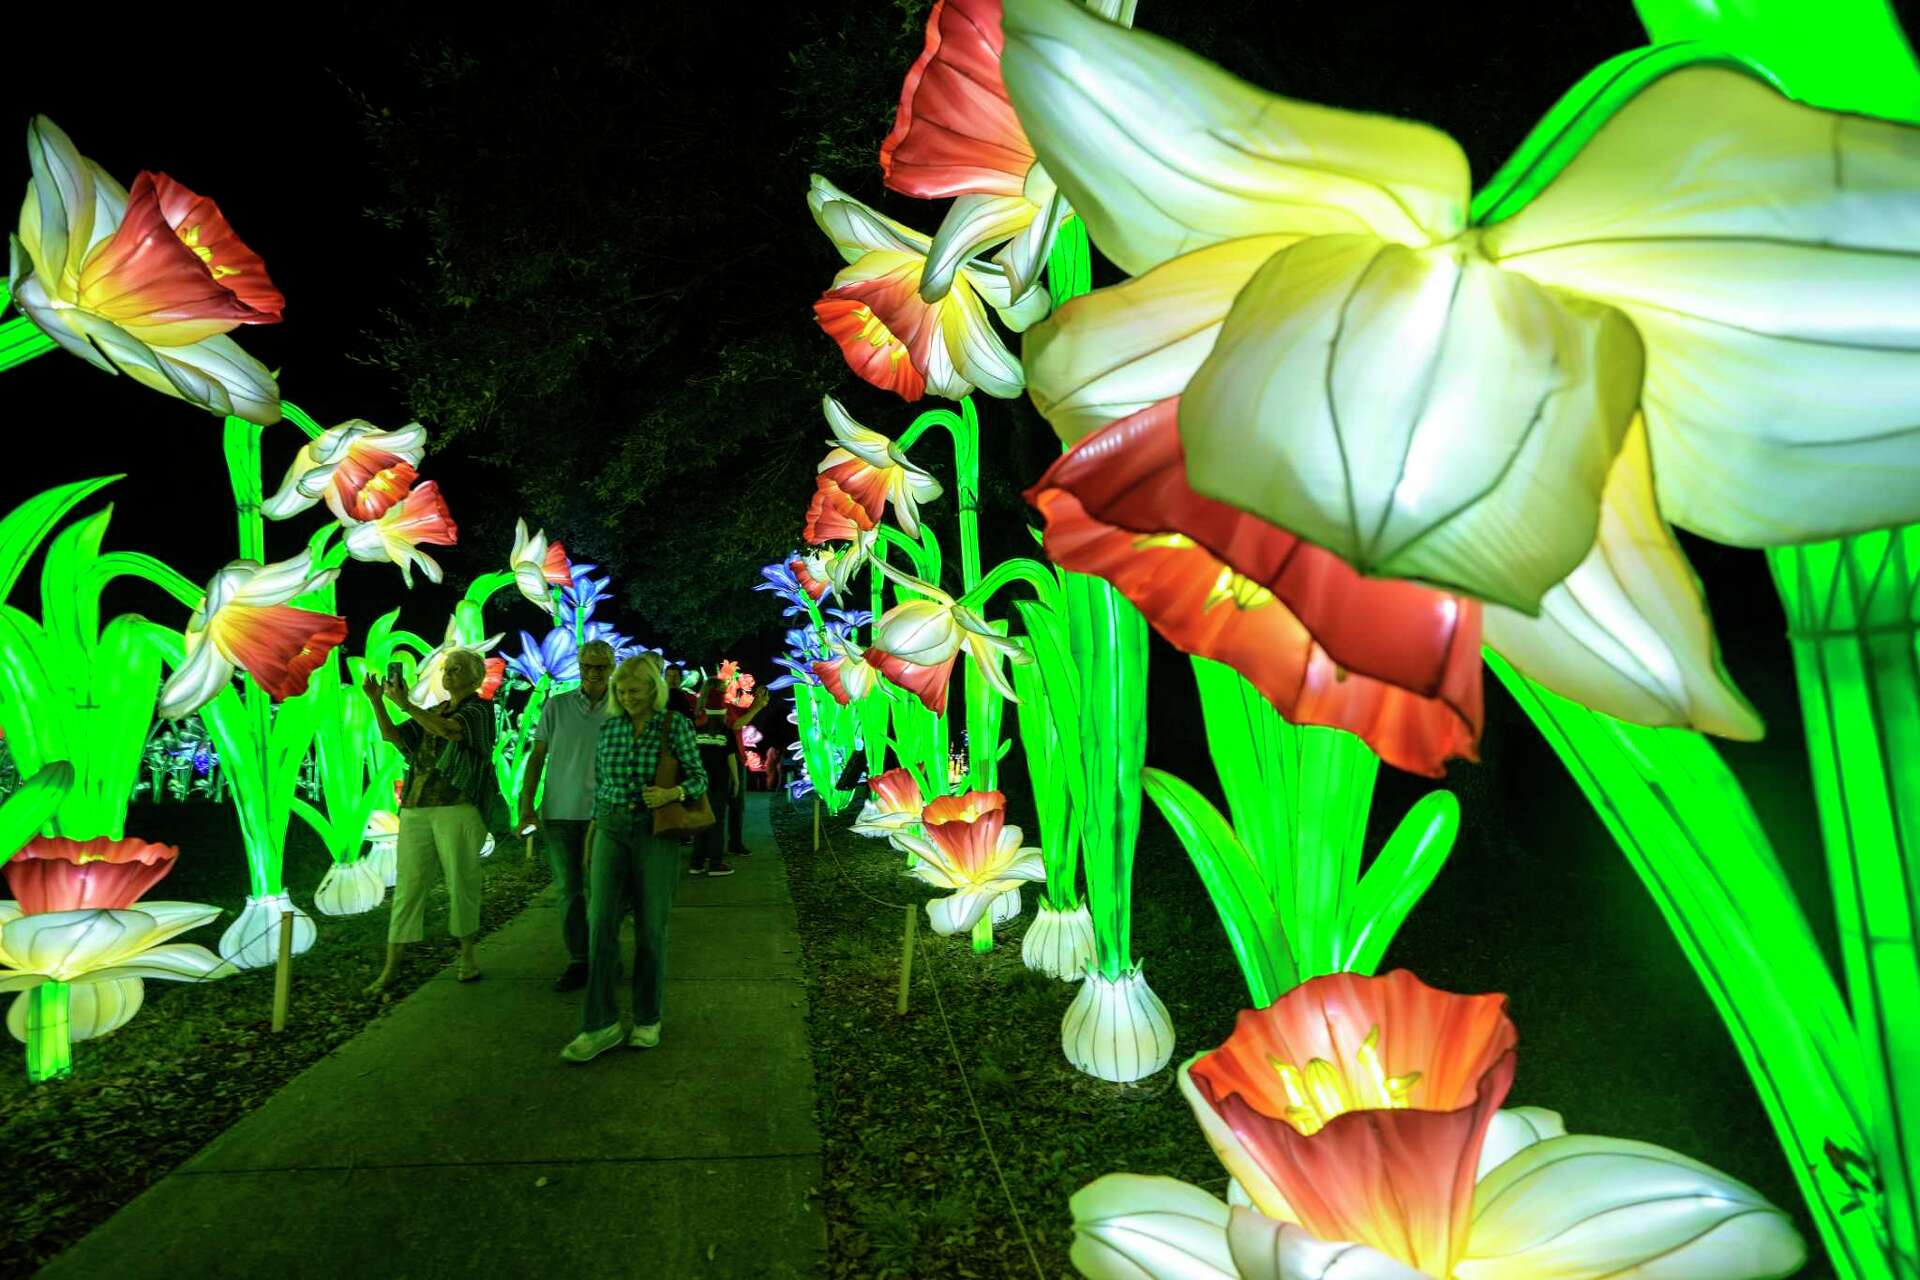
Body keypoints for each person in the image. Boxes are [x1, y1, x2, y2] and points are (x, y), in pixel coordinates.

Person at [561, 653, 708, 1063]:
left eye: (635, 690)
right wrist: (594, 832)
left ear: (653, 690)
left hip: (653, 831)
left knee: (651, 928)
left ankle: (647, 1016)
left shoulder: (673, 725)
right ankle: (600, 1024)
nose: (627, 697)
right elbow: (601, 784)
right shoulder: (609, 729)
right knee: (600, 924)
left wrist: (671, 794)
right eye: (621, 691)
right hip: (610, 827)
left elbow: (699, 777)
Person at [363, 648, 497, 994]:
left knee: (461, 881)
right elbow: (395, 737)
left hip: (457, 806)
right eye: (446, 669)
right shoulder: (435, 710)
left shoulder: (479, 710)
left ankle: (467, 955)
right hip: (416, 805)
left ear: (475, 677)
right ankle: (392, 966)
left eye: (456, 669)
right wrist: (378, 700)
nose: (448, 673)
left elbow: (451, 732)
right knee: (409, 885)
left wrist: (406, 704)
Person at [517, 639, 614, 991]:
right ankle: (579, 959)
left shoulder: (621, 707)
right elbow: (537, 757)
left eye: (601, 666)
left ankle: (604, 955)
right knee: (569, 890)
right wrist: (526, 805)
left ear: (612, 667)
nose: (593, 673)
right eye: (587, 666)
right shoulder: (556, 706)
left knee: (603, 891)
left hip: (604, 815)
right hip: (559, 813)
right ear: (579, 666)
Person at [690, 677, 740, 877]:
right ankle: (715, 862)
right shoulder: (724, 730)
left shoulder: (696, 726)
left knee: (700, 819)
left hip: (699, 780)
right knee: (716, 821)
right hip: (716, 781)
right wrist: (735, 780)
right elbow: (730, 756)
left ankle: (697, 862)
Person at [725, 686, 770, 856]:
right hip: (727, 758)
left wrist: (758, 702)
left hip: (737, 757)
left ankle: (733, 843)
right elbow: (737, 724)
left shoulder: (728, 707)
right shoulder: (718, 709)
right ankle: (713, 847)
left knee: (737, 805)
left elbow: (745, 713)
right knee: (725, 804)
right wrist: (758, 706)